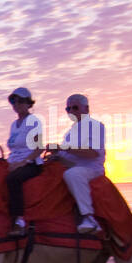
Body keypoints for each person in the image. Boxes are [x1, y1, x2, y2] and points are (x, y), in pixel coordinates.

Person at [48, 93, 106, 233]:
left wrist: (64, 148)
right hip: (70, 165)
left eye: (75, 108)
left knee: (73, 175)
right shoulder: (69, 132)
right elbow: (64, 153)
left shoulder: (96, 126)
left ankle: (89, 218)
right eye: (68, 109)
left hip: (90, 168)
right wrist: (55, 153)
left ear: (86, 109)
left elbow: (93, 153)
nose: (71, 112)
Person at [4, 86, 44, 237]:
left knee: (12, 179)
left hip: (31, 163)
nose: (16, 104)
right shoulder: (14, 125)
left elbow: (39, 148)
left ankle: (19, 221)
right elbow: (14, 148)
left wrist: (23, 163)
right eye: (13, 101)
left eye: (20, 101)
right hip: (14, 161)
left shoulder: (33, 121)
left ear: (28, 103)